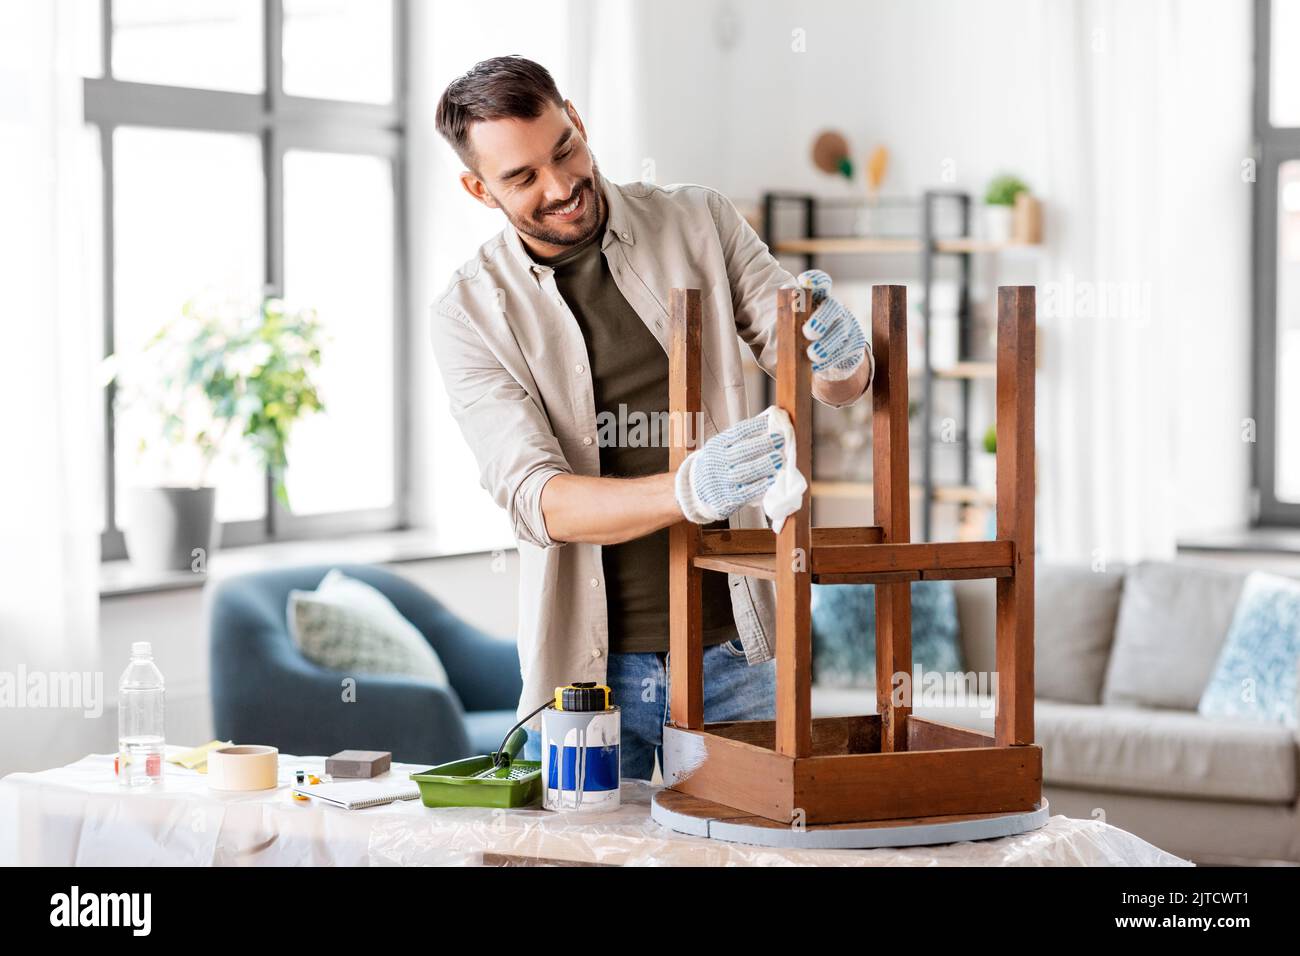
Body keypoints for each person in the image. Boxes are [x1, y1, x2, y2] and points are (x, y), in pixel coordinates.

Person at [431, 56, 874, 780]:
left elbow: (828, 378)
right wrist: (687, 490)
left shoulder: (699, 220)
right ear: (478, 188)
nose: (562, 185)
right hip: (582, 681)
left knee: (752, 860)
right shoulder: (469, 313)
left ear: (576, 115)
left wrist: (843, 356)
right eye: (522, 178)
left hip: (735, 650)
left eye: (565, 148)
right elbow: (535, 497)